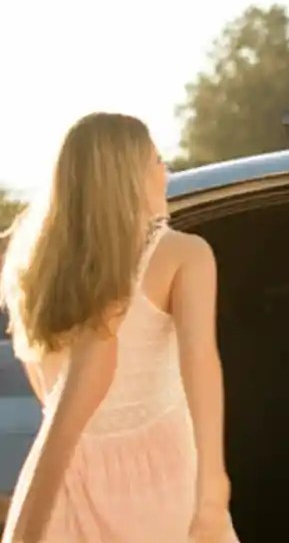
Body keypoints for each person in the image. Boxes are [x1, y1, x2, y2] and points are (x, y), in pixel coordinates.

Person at [0, 113, 238, 543]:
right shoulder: (184, 255)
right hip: (163, 482)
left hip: (65, 482)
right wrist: (212, 487)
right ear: (128, 176)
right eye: (158, 161)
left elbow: (46, 394)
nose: (166, 173)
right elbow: (201, 364)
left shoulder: (32, 271)